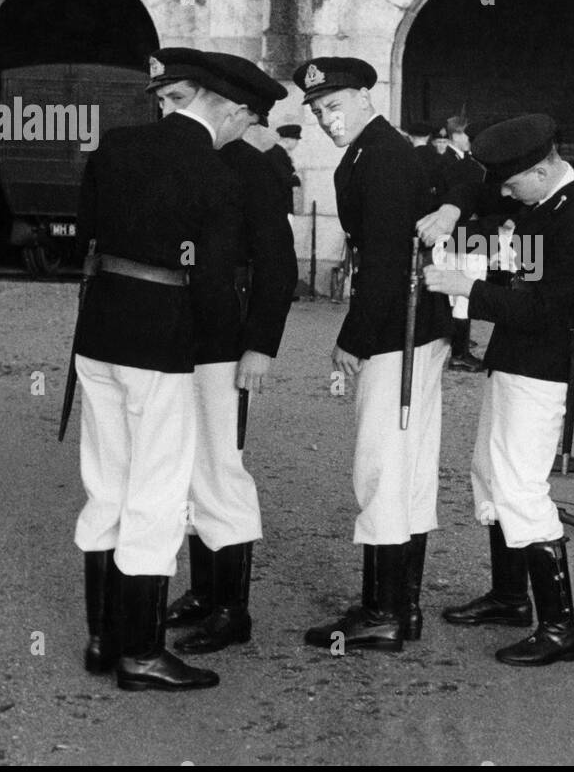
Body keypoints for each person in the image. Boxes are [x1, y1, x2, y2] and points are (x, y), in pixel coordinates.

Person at [73, 50, 267, 692]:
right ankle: (143, 655)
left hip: (97, 334)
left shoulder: (117, 147)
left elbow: (88, 237)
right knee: (156, 493)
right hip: (161, 349)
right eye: (246, 119)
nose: (245, 131)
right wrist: (221, 350)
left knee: (107, 483)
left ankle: (102, 640)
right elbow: (211, 287)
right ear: (231, 109)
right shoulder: (216, 177)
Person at [421, 113, 574, 666]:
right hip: (517, 360)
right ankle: (510, 597)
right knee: (491, 472)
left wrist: (470, 288)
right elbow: (524, 276)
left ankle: (561, 628)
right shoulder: (544, 207)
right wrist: (493, 252)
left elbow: (548, 308)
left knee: (522, 489)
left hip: (545, 365)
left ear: (541, 168)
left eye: (511, 182)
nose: (504, 193)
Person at [142, 52, 299, 655]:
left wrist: (261, 345)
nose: (167, 111)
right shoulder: (174, 160)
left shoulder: (251, 169)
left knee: (219, 470)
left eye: (177, 98)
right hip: (169, 340)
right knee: (182, 469)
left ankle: (233, 611)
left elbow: (277, 265)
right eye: (161, 101)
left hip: (223, 345)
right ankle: (205, 592)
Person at [293, 57, 452, 653]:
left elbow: (383, 265)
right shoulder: (374, 152)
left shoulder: (379, 157)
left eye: (334, 106)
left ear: (364, 96)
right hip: (412, 325)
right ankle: (399, 607)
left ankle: (384, 612)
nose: (327, 120)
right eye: (317, 111)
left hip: (396, 330)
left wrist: (352, 340)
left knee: (383, 464)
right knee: (407, 466)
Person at [442, 112, 489, 372]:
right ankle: (459, 352)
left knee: (459, 292)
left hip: (459, 234)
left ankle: (458, 346)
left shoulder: (463, 164)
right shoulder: (473, 168)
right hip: (472, 234)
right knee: (466, 293)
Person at [266, 124, 302, 216]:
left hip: (278, 207)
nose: (297, 143)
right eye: (296, 140)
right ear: (287, 140)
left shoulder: (278, 154)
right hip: (278, 208)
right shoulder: (277, 155)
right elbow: (287, 179)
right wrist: (296, 179)